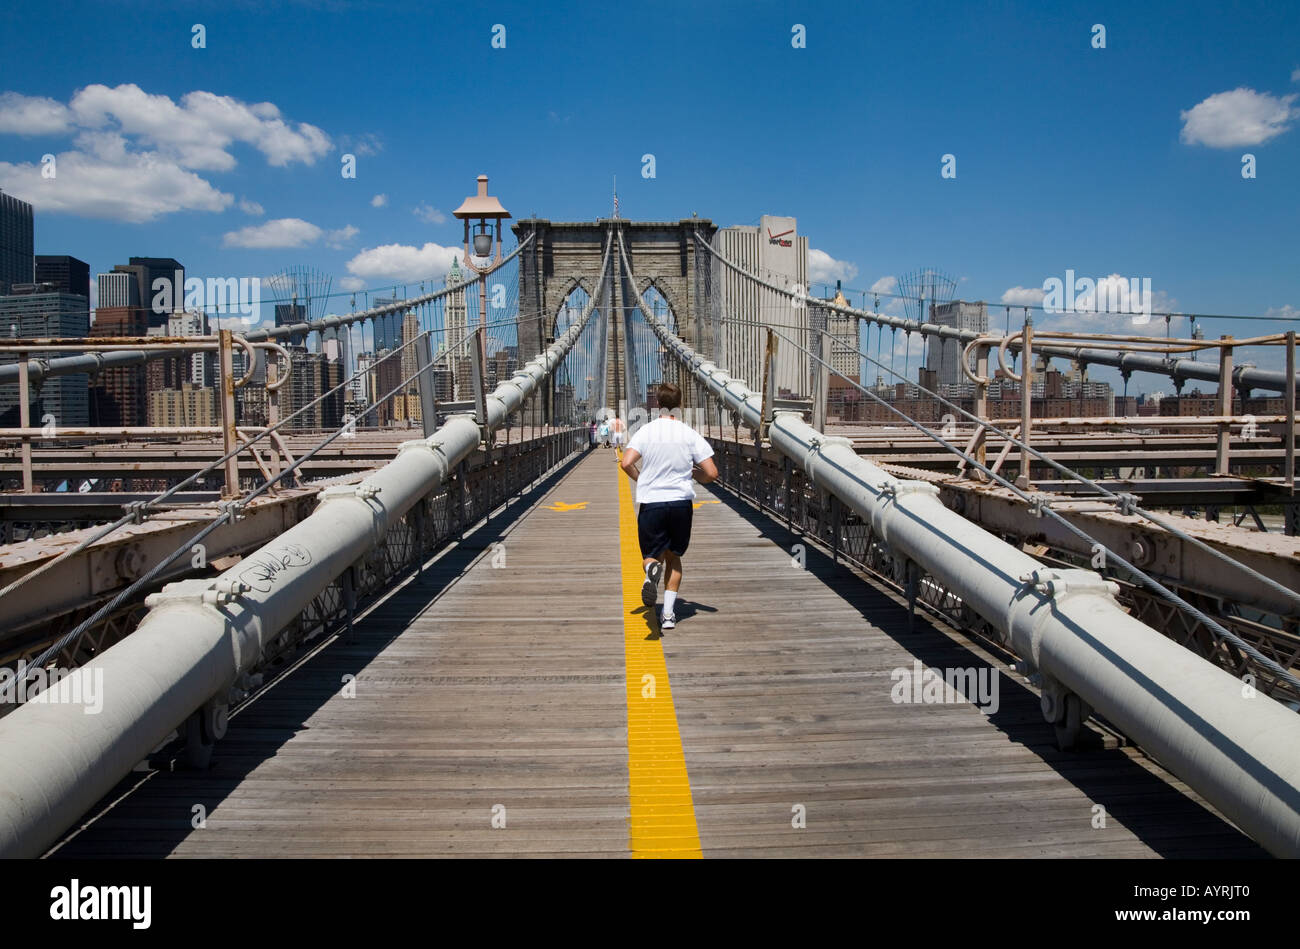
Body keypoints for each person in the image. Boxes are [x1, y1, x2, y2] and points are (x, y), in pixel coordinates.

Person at [618, 382, 718, 631]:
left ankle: (651, 568)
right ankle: (669, 615)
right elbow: (712, 473)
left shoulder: (646, 431)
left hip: (652, 503)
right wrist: (695, 476)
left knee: (652, 556)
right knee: (674, 559)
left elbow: (626, 462)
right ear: (680, 405)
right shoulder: (689, 433)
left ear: (657, 404)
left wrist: (643, 480)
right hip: (680, 504)